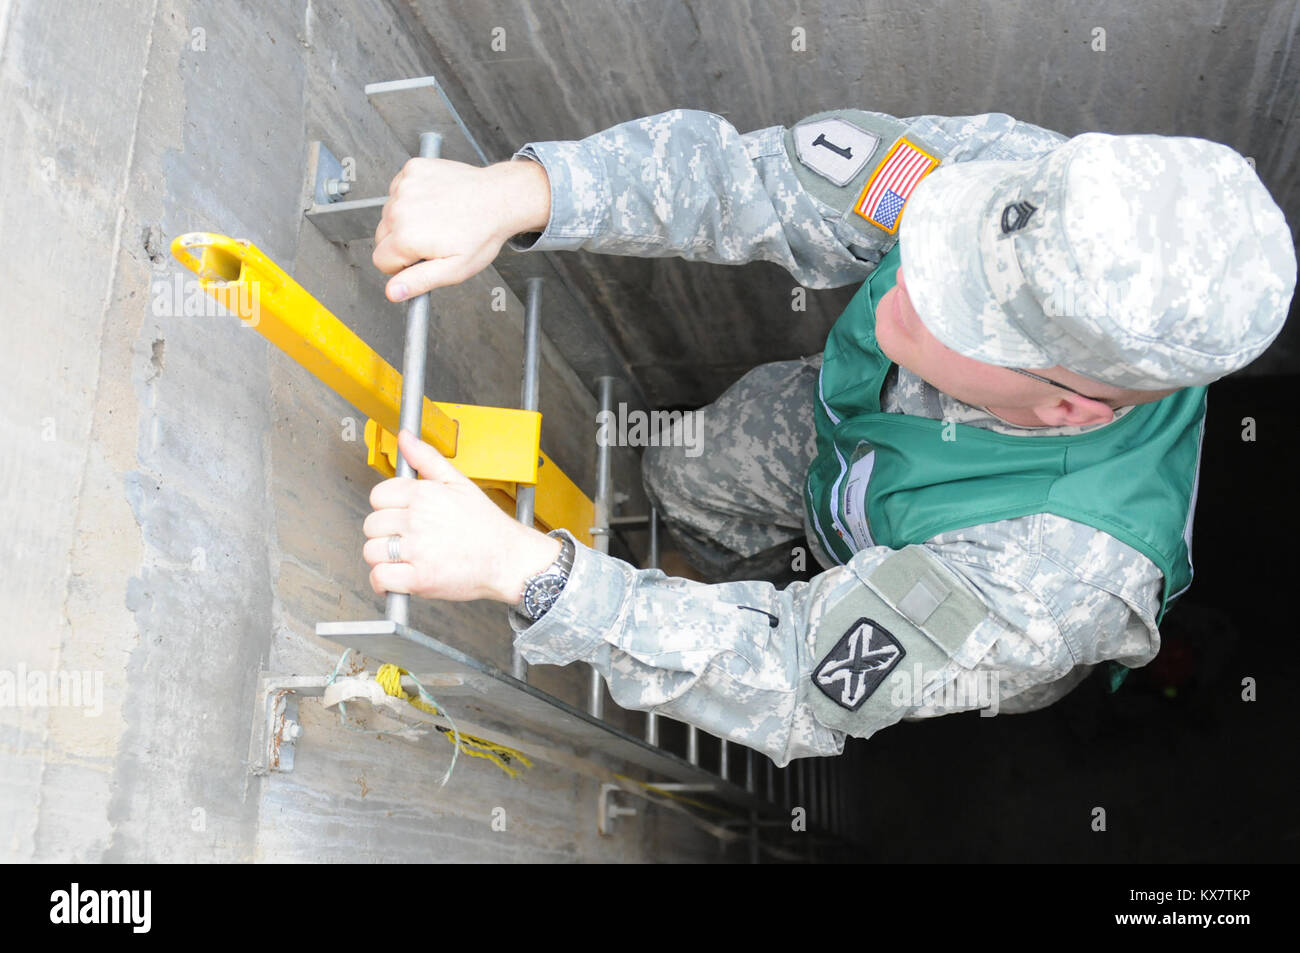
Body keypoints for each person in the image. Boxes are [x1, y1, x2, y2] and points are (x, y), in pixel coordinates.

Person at [363, 107, 1295, 766]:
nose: (903, 286)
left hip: (953, 583)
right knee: (680, 466)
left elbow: (799, 676)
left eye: (960, 318)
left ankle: (713, 612)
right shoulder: (1016, 187)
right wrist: (525, 190)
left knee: (775, 643)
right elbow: (758, 180)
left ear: (1070, 407)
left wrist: (532, 575)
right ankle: (715, 593)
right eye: (940, 250)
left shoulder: (1055, 580)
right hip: (842, 437)